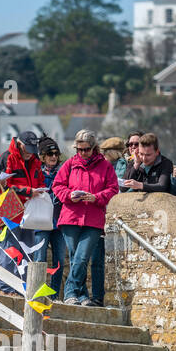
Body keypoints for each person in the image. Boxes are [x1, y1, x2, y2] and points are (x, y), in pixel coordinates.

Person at [53, 129, 118, 307]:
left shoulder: (105, 166)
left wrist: (96, 197)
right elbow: (57, 186)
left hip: (93, 220)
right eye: (79, 150)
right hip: (71, 218)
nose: (82, 153)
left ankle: (69, 292)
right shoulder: (69, 164)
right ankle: (81, 297)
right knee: (75, 259)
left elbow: (113, 189)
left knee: (81, 258)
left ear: (94, 148)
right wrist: (69, 195)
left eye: (86, 149)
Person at [0, 130, 48, 294]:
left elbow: (39, 179)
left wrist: (39, 190)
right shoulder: (6, 157)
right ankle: (6, 288)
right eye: (27, 149)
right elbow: (2, 184)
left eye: (33, 149)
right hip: (9, 208)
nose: (29, 153)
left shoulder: (34, 159)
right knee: (9, 248)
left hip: (29, 210)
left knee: (27, 250)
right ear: (20, 144)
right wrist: (28, 191)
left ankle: (21, 288)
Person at [36, 137, 68, 297]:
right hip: (40, 221)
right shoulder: (36, 172)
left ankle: (54, 295)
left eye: (56, 153)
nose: (54, 157)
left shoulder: (64, 172)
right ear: (42, 156)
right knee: (39, 259)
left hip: (59, 222)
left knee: (59, 261)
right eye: (50, 154)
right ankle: (37, 293)